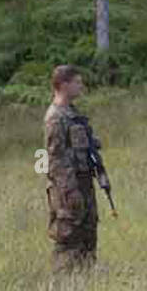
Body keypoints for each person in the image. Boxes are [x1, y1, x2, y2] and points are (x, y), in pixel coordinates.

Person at [43, 65, 101, 272]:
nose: (81, 86)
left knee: (87, 234)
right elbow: (56, 158)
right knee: (68, 236)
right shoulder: (56, 117)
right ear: (64, 85)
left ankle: (85, 281)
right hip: (68, 186)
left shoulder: (73, 114)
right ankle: (64, 284)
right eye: (77, 82)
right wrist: (70, 190)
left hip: (83, 181)